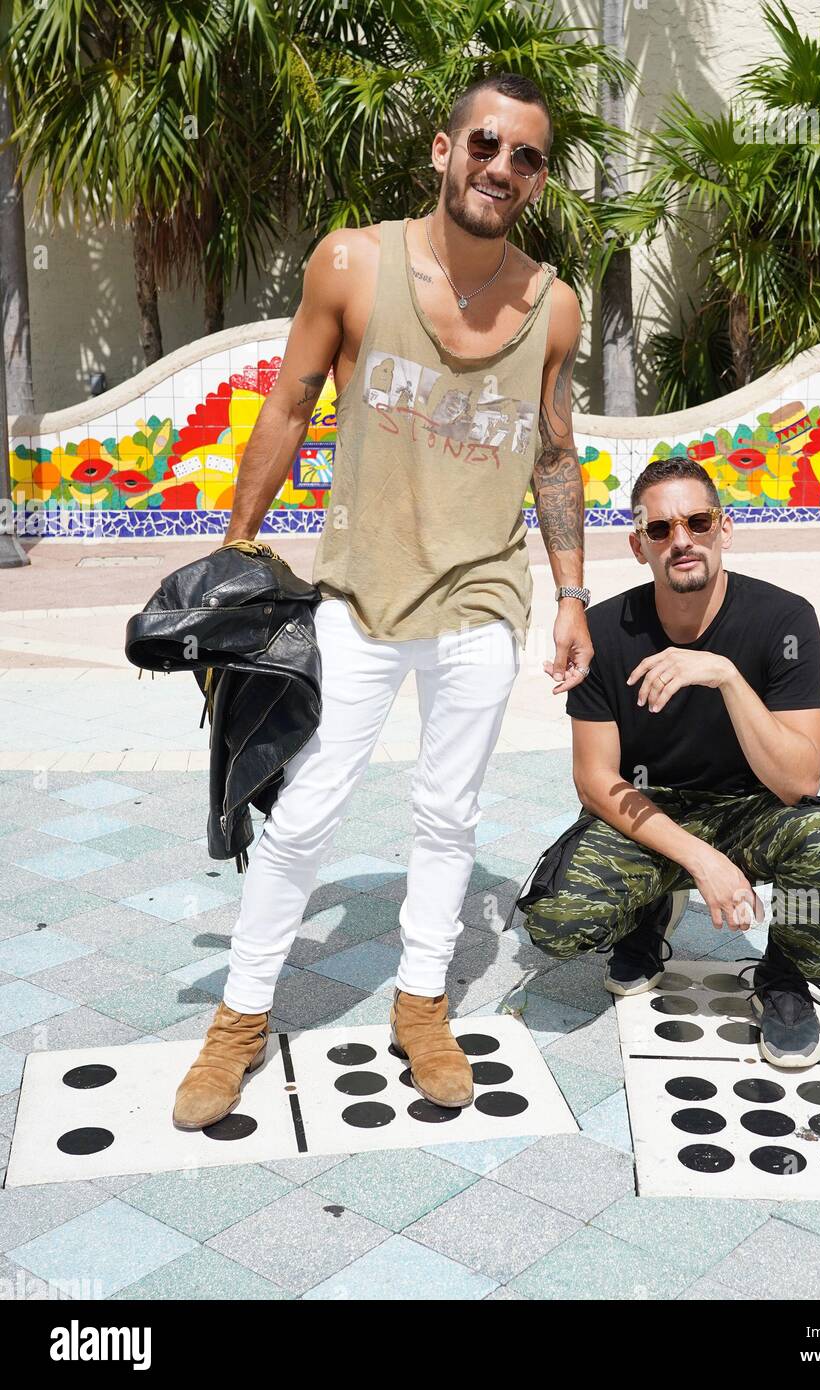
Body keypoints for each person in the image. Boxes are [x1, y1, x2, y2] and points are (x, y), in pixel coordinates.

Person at [173, 71, 592, 1129]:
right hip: (358, 598)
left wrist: (574, 591)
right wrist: (234, 548)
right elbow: (288, 403)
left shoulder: (553, 306)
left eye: (526, 156)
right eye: (485, 144)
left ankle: (420, 1005)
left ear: (538, 181)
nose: (502, 166)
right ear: (443, 150)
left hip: (485, 602)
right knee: (302, 816)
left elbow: (554, 453)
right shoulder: (351, 262)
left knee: (448, 816)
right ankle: (238, 1021)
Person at [521, 457, 820, 1069]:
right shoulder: (604, 630)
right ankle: (650, 912)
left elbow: (801, 780)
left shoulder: (784, 620)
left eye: (697, 522)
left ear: (722, 529)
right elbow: (596, 781)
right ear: (638, 545)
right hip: (655, 813)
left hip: (750, 812)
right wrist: (699, 860)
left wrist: (727, 677)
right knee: (557, 923)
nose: (681, 541)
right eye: (660, 529)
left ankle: (786, 977)